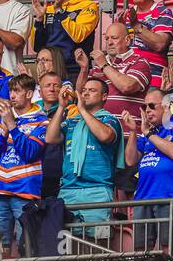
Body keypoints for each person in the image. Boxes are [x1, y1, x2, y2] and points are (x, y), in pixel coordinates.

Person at [125, 88, 173, 253]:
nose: (147, 111)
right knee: (140, 251)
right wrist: (132, 131)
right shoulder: (149, 133)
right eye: (144, 108)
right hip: (143, 198)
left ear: (166, 106)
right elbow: (130, 160)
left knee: (169, 248)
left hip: (170, 197)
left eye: (151, 106)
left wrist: (149, 134)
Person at [0, 73, 47, 256]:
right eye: (10, 90)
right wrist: (2, 136)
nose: (12, 95)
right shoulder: (1, 120)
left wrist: (12, 126)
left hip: (25, 190)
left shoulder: (42, 121)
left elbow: (30, 152)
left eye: (17, 91)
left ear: (28, 94)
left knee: (25, 243)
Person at [46, 79, 121, 236]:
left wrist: (82, 110)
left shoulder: (109, 120)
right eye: (84, 89)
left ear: (104, 96)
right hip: (68, 189)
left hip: (97, 190)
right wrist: (61, 106)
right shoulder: (71, 121)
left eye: (92, 90)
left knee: (99, 244)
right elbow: (50, 138)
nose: (85, 93)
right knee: (65, 245)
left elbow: (105, 135)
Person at [32, 0, 100, 83]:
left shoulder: (88, 6)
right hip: (49, 71)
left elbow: (79, 36)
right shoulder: (48, 9)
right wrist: (39, 20)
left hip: (74, 70)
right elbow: (37, 47)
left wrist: (60, 12)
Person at [76, 21, 151, 125]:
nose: (109, 42)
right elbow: (81, 95)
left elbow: (127, 86)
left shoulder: (139, 61)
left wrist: (104, 65)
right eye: (107, 39)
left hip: (127, 133)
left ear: (127, 40)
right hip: (96, 131)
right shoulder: (99, 65)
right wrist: (84, 69)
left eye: (114, 38)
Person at [117, 0, 173, 88]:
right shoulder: (126, 14)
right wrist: (120, 30)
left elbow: (160, 44)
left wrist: (136, 25)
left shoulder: (162, 12)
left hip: (152, 75)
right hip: (125, 73)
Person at [36, 72, 66, 199]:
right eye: (47, 85)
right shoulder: (32, 110)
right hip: (32, 173)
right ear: (39, 90)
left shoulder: (70, 110)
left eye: (56, 85)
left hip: (57, 174)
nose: (52, 89)